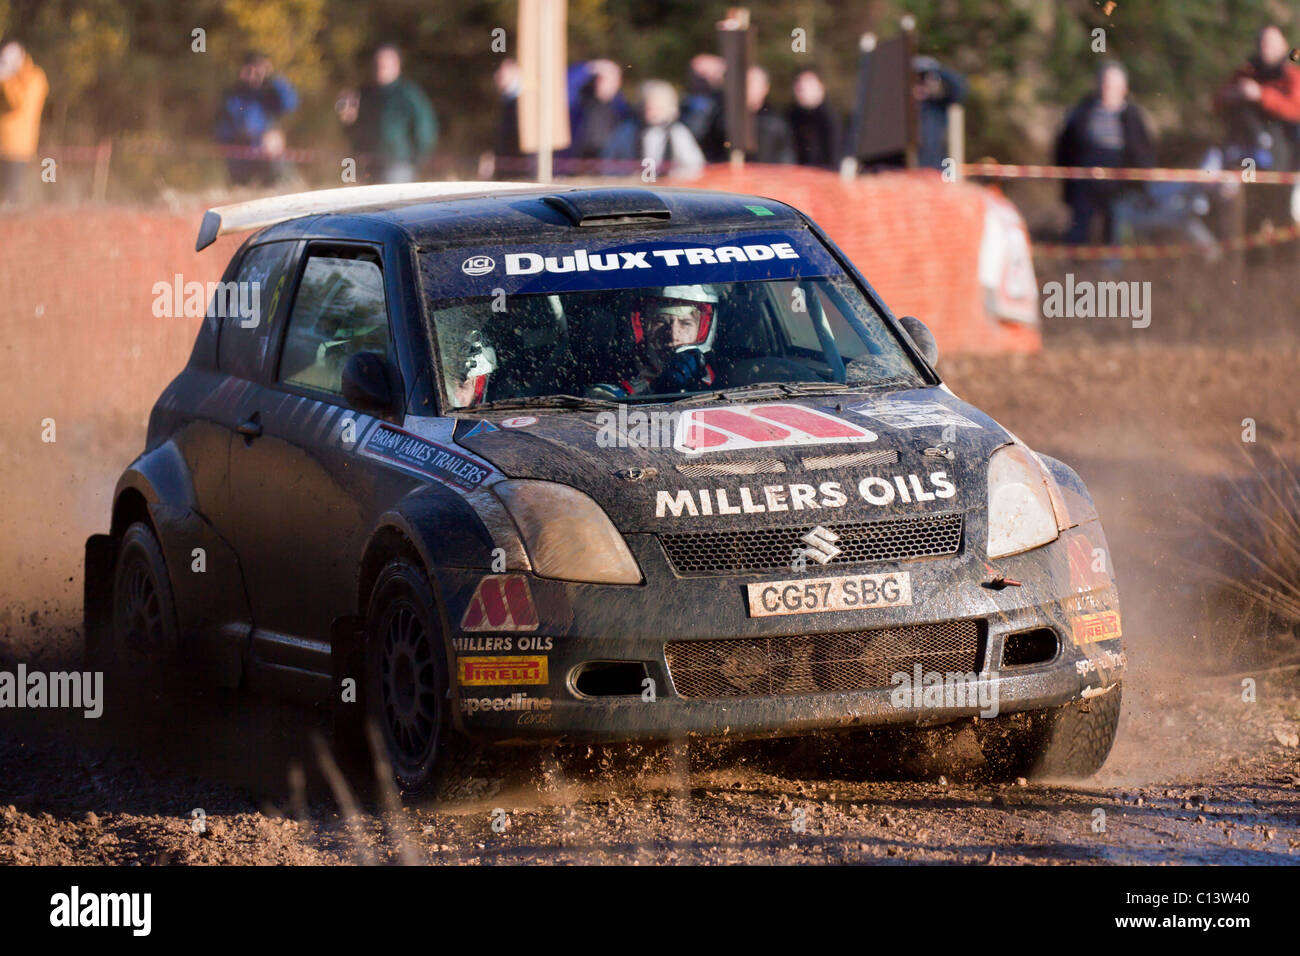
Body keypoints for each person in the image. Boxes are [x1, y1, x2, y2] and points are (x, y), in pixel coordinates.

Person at [1054, 62, 1155, 245]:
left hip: (1120, 188)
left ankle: (1111, 271)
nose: (1106, 89)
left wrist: (1140, 184)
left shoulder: (1132, 116)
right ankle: (1075, 270)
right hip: (1084, 184)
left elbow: (1143, 153)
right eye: (1104, 83)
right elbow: (1065, 147)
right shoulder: (1082, 112)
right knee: (1079, 233)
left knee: (1116, 233)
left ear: (1123, 88)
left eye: (1112, 85)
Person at [1216, 24, 1300, 239]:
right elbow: (1218, 103)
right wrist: (1234, 95)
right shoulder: (1245, 74)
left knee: (1280, 210)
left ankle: (1283, 264)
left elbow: (1295, 108)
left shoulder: (1291, 76)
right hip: (1249, 155)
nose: (1266, 49)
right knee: (1252, 208)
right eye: (1262, 43)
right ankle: (1253, 267)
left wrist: (1261, 95)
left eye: (1272, 44)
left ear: (1283, 47)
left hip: (1285, 157)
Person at [588, 285, 719, 398]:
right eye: (660, 321)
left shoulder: (726, 377)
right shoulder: (614, 371)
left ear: (702, 330)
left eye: (685, 323)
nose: (673, 335)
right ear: (644, 327)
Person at [338, 44, 438, 184]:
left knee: (395, 205)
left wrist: (418, 159)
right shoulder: (364, 94)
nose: (380, 68)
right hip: (368, 164)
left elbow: (425, 129)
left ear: (397, 66)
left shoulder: (409, 94)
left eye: (385, 65)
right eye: (377, 64)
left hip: (399, 165)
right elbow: (352, 132)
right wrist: (348, 122)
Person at [215, 52, 299, 187]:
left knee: (275, 148)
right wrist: (236, 138)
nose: (254, 74)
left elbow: (290, 104)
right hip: (241, 154)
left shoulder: (269, 93)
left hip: (266, 151)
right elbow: (221, 127)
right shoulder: (233, 95)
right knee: (241, 184)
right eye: (250, 69)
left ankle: (283, 184)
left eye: (258, 70)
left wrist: (272, 77)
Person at [602, 80, 705, 179]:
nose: (651, 112)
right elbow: (607, 161)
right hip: (632, 188)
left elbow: (695, 166)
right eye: (648, 107)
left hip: (667, 188)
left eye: (657, 107)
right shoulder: (627, 131)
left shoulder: (678, 133)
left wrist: (675, 176)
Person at [0, 40, 48, 206]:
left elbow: (19, 104)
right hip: (3, 144)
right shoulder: (11, 79)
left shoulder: (35, 78)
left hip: (17, 148)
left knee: (9, 197)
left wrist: (6, 81)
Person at [566, 59, 629, 161]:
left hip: (606, 163)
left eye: (607, 79)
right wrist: (589, 68)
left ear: (618, 82)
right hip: (576, 160)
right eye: (598, 79)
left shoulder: (621, 108)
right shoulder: (580, 100)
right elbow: (565, 83)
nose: (601, 83)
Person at [912, 56, 966, 170]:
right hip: (910, 173)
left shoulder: (938, 106)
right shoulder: (901, 110)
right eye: (917, 81)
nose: (922, 85)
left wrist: (937, 70)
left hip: (938, 170)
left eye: (925, 80)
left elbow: (960, 88)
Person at [788, 68, 840, 168]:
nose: (803, 90)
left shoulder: (830, 119)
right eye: (800, 86)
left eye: (809, 85)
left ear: (821, 87)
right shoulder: (791, 116)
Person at [681, 53, 728, 162]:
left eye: (706, 74)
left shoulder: (724, 107)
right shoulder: (685, 103)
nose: (702, 79)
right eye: (697, 74)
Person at [746, 66, 795, 164]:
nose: (746, 87)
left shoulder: (775, 121)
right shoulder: (722, 117)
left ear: (765, 87)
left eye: (751, 83)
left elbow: (786, 158)